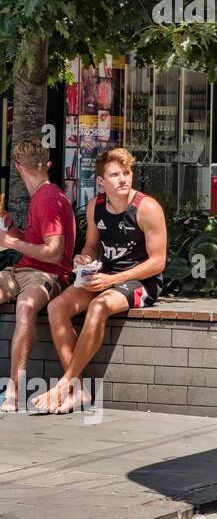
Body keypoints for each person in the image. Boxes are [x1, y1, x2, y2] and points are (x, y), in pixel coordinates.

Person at [32, 148, 167, 415]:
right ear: (101, 181)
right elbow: (92, 245)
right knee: (56, 307)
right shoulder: (96, 205)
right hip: (103, 276)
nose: (123, 179)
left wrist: (113, 280)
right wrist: (83, 258)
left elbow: (158, 262)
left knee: (99, 307)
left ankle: (64, 384)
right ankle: (78, 389)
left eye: (126, 173)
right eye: (115, 175)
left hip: (140, 281)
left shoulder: (147, 208)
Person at [0, 137, 76, 412]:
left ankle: (14, 390)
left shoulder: (47, 199)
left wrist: (10, 243)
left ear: (19, 168)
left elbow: (54, 254)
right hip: (22, 269)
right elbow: (35, 245)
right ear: (48, 165)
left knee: (25, 307)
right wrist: (13, 230)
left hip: (47, 274)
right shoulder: (44, 196)